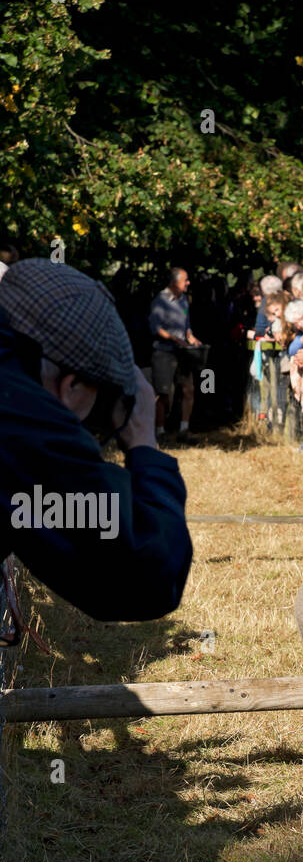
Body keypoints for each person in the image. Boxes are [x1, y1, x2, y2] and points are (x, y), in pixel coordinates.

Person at [0, 259, 191, 621]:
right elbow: (148, 578)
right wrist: (144, 447)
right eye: (98, 395)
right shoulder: (23, 420)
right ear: (72, 386)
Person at [149, 266, 203, 442]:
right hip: (164, 352)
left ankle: (184, 429)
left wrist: (191, 338)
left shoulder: (184, 301)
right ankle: (160, 431)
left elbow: (186, 326)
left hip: (183, 353)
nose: (188, 283)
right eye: (185, 280)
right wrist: (173, 338)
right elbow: (155, 328)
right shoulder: (160, 300)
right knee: (163, 393)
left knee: (189, 389)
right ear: (174, 282)